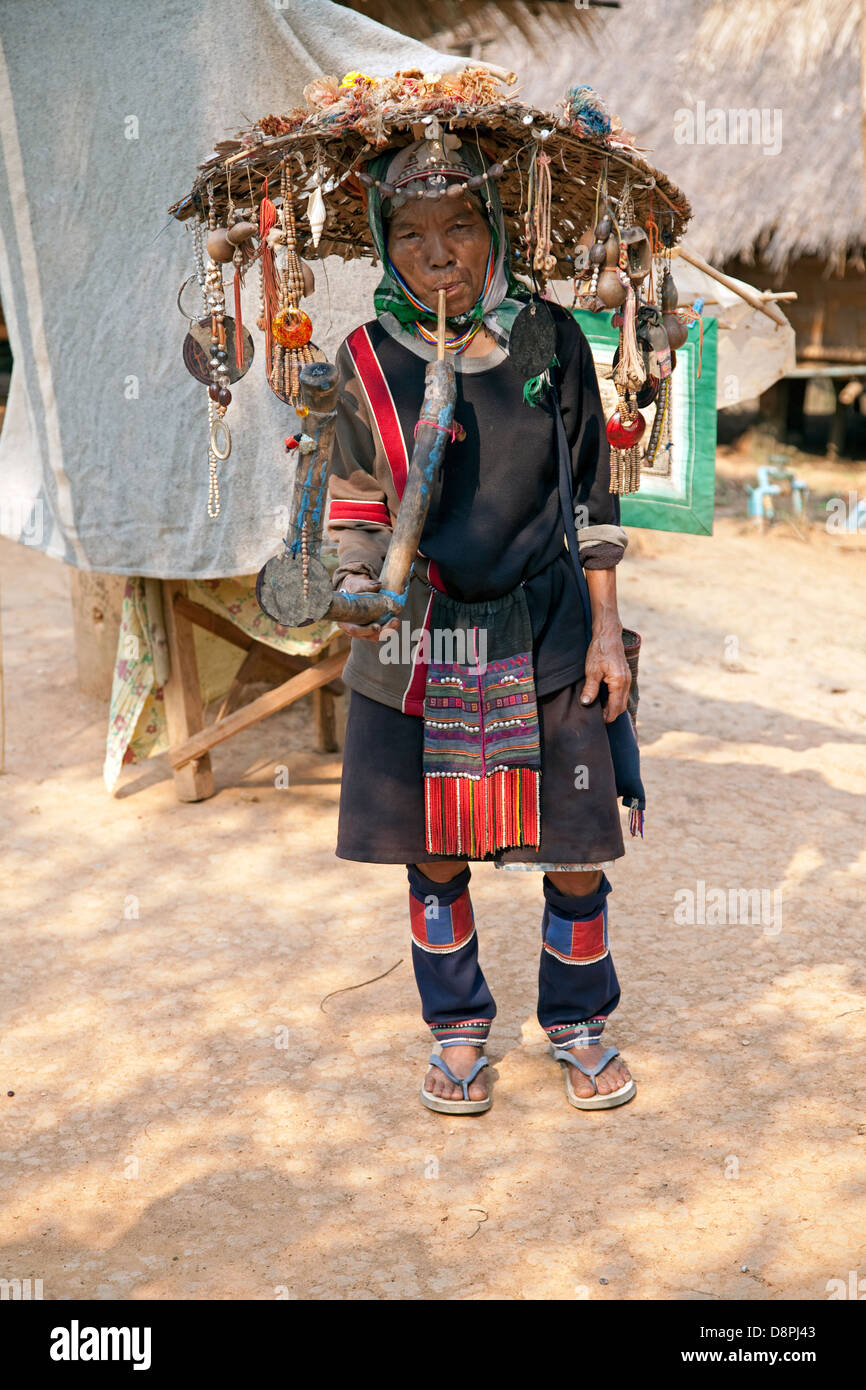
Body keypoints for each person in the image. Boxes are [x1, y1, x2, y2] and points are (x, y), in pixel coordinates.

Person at [325, 131, 637, 1115]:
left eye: (458, 223)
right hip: (419, 637)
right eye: (409, 231)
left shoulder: (547, 337)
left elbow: (591, 501)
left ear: (493, 228)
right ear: (384, 244)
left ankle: (578, 1021)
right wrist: (353, 580)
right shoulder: (366, 358)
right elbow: (354, 504)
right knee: (431, 846)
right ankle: (457, 1028)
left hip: (545, 625)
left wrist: (602, 631)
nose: (436, 251)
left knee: (576, 844)